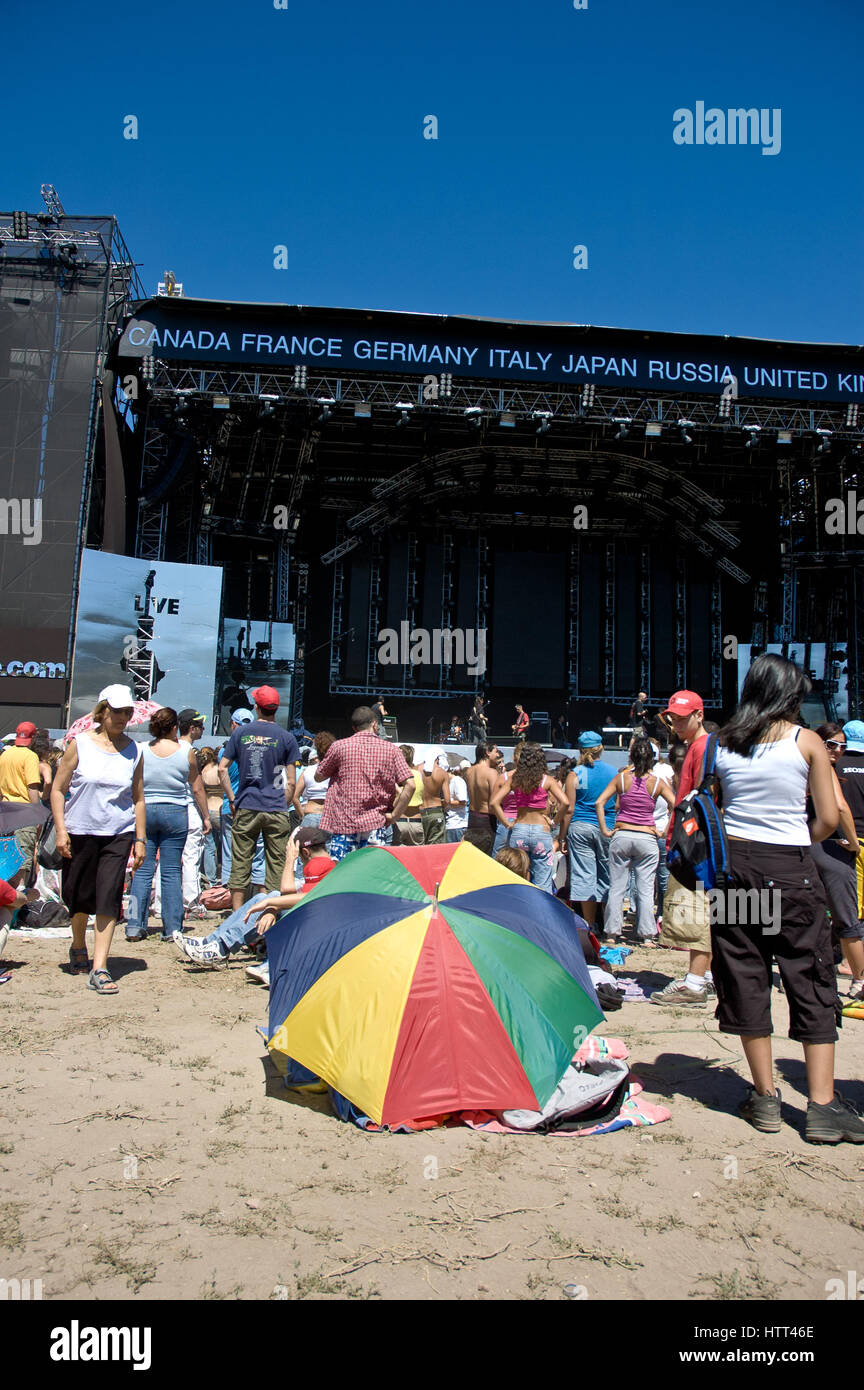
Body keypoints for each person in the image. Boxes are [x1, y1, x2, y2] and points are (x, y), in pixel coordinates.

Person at [710, 653, 863, 1144]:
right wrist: (799, 838)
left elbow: (717, 808)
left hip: (734, 871)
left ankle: (765, 1098)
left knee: (744, 972)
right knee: (809, 973)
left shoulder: (724, 743)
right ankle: (821, 1107)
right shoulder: (807, 741)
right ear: (789, 695)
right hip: (790, 870)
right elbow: (827, 817)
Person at [50, 685, 146, 993]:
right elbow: (57, 789)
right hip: (79, 830)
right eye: (117, 711)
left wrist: (140, 839)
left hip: (118, 833)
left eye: (127, 712)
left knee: (108, 897)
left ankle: (100, 967)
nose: (122, 717)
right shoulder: (80, 744)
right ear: (102, 711)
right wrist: (61, 830)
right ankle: (79, 944)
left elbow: (138, 797)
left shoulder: (136, 750)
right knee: (78, 895)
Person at [175, 826, 337, 981]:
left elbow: (293, 892)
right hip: (314, 918)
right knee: (266, 898)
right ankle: (212, 943)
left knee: (267, 899)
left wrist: (289, 860)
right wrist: (272, 906)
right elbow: (291, 893)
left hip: (313, 924)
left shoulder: (319, 865)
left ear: (305, 852)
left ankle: (218, 947)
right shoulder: (329, 864)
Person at [650, 690, 715, 1008]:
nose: (675, 722)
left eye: (682, 717)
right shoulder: (697, 746)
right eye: (672, 717)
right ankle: (706, 977)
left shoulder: (702, 747)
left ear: (699, 715)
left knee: (695, 911)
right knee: (705, 911)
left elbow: (701, 800)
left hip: (695, 842)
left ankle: (694, 982)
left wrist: (684, 841)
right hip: (695, 840)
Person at [126, 708, 211, 943]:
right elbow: (196, 787)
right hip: (175, 812)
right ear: (175, 727)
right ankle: (173, 927)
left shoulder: (142, 750)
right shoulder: (186, 751)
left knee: (141, 871)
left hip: (145, 812)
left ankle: (134, 925)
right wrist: (205, 816)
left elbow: (135, 785)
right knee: (172, 871)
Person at [217, 687, 299, 910]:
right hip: (276, 808)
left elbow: (222, 769)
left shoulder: (240, 734)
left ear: (256, 707)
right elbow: (291, 781)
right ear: (276, 708)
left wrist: (233, 799)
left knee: (240, 862)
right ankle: (270, 914)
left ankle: (236, 916)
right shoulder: (287, 738)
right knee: (276, 864)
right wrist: (285, 803)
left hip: (246, 805)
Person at [595, 736, 676, 944]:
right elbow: (676, 805)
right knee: (646, 888)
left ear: (631, 756)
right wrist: (664, 831)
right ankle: (647, 935)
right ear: (652, 758)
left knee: (617, 887)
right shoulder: (658, 782)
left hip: (622, 834)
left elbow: (600, 802)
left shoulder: (622, 778)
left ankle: (612, 932)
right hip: (647, 837)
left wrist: (606, 828)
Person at [313, 706, 414, 861]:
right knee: (372, 877)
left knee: (341, 876)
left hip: (343, 825)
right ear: (374, 724)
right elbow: (411, 785)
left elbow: (318, 776)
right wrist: (394, 816)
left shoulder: (339, 747)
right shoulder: (392, 750)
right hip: (375, 824)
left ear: (354, 728)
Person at [489, 743, 568, 893]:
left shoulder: (515, 780)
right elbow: (565, 802)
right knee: (543, 880)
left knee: (516, 876)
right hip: (541, 831)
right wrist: (554, 822)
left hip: (519, 830)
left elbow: (494, 802)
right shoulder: (547, 781)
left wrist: (507, 823)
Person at [823, 721, 864, 1000]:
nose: (838, 750)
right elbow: (839, 807)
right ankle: (855, 972)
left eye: (842, 746)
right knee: (851, 912)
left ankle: (850, 967)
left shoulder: (827, 765)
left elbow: (839, 807)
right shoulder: (826, 767)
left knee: (847, 911)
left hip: (836, 843)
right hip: (845, 845)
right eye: (833, 745)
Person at [560, 732, 618, 927]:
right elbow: (618, 804)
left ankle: (589, 925)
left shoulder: (576, 774)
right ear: (601, 748)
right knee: (607, 874)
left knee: (584, 875)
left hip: (580, 826)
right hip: (607, 826)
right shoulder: (614, 773)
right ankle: (608, 922)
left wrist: (561, 836)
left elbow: (569, 808)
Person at [219, 709, 266, 893]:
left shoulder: (224, 751)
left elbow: (222, 772)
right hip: (254, 804)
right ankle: (258, 894)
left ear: (233, 724)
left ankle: (230, 895)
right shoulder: (259, 751)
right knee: (257, 851)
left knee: (231, 851)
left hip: (230, 806)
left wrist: (231, 798)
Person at [0, 721, 42, 881]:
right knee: (22, 860)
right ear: (33, 738)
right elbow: (32, 787)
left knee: (6, 858)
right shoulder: (30, 756)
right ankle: (20, 896)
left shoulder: (5, 755)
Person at [177, 709, 207, 915]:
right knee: (191, 856)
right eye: (200, 726)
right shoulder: (190, 753)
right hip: (188, 808)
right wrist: (206, 816)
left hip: (170, 807)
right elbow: (197, 788)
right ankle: (191, 902)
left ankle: (160, 903)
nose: (203, 729)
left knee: (168, 860)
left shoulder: (168, 748)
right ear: (192, 728)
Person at [462, 743, 502, 855]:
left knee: (473, 855)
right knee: (487, 856)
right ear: (487, 753)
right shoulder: (491, 773)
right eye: (496, 751)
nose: (498, 754)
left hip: (472, 817)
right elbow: (495, 801)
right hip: (487, 820)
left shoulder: (469, 771)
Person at [292, 732, 335, 828]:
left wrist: (302, 815)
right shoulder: (336, 771)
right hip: (330, 817)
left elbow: (295, 797)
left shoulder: (307, 771)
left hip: (310, 814)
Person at [198, 747, 223, 885]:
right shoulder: (219, 770)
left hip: (208, 809)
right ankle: (225, 877)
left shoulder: (203, 772)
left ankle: (211, 878)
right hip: (220, 808)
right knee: (226, 845)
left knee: (209, 847)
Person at [392, 745, 425, 845]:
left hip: (399, 820)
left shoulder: (395, 775)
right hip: (416, 820)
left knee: (397, 857)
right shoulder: (418, 774)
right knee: (418, 857)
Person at [420, 752, 450, 843]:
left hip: (419, 812)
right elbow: (447, 800)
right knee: (436, 847)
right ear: (437, 759)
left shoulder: (416, 769)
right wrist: (443, 809)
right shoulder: (442, 773)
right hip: (435, 811)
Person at [445, 762, 469, 842]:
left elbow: (463, 802)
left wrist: (447, 801)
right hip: (449, 824)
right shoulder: (447, 783)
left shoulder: (457, 781)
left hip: (457, 825)